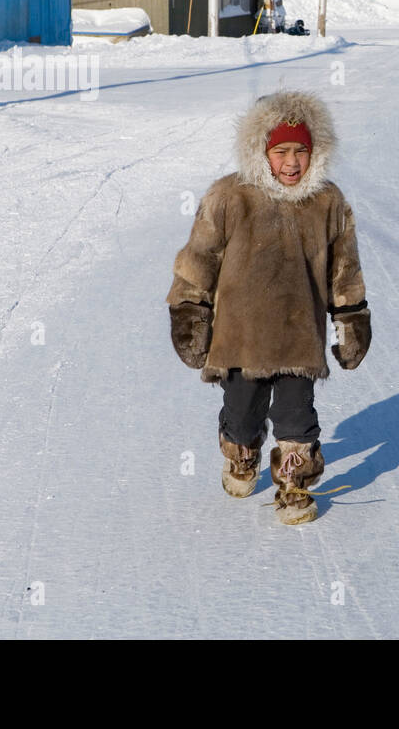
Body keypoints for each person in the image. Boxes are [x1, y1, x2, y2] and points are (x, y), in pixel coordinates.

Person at [166, 91, 371, 525]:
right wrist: (189, 312)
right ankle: (241, 452)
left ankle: (293, 484)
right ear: (261, 150)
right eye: (281, 152)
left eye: (301, 152)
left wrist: (351, 317)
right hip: (240, 339)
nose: (292, 163)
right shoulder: (229, 197)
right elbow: (198, 259)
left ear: (316, 152)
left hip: (300, 339)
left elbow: (344, 268)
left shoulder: (327, 202)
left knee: (297, 417)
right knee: (243, 413)